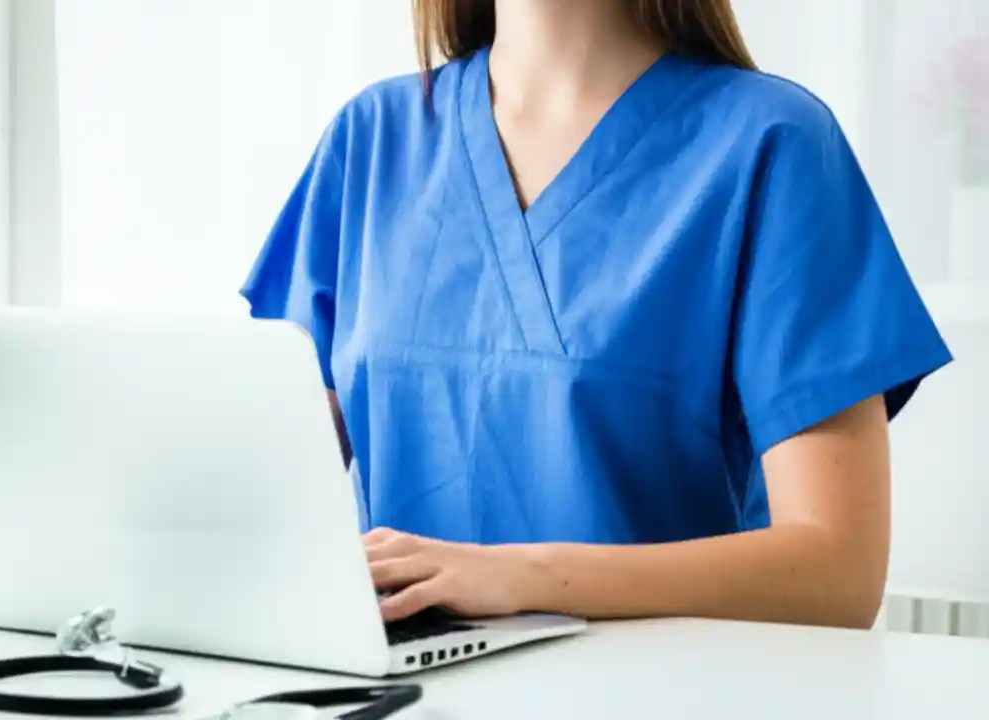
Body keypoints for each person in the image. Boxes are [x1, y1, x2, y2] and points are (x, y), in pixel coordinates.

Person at [241, 0, 952, 629]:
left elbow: (838, 575)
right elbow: (246, 511)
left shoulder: (773, 144)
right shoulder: (372, 140)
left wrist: (524, 580)